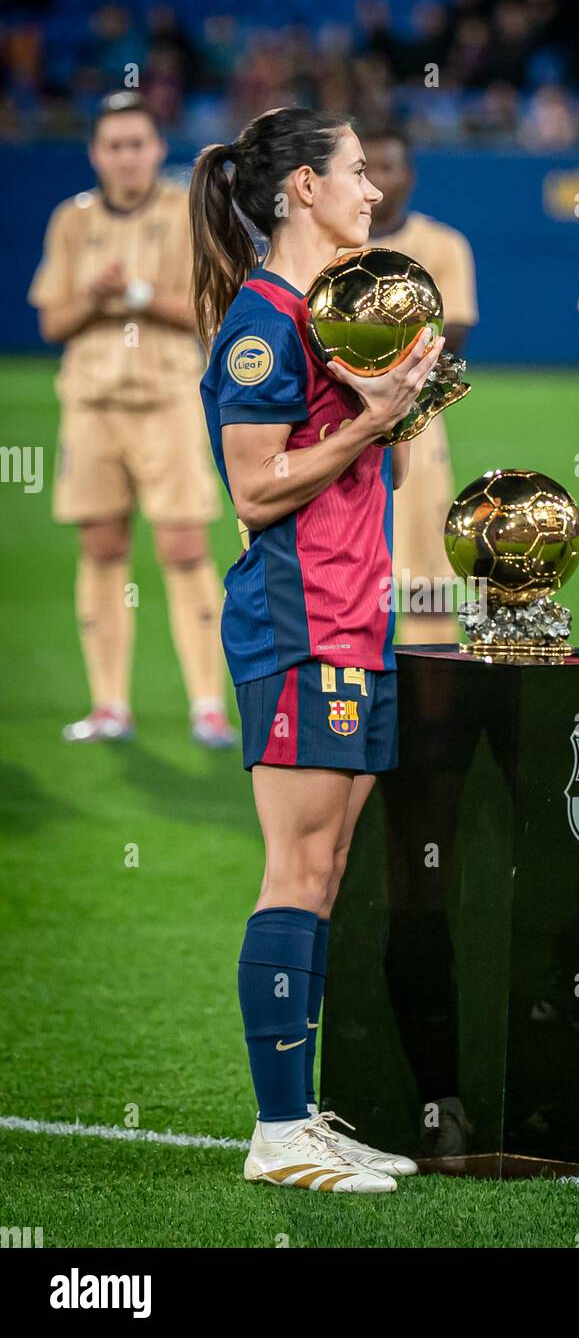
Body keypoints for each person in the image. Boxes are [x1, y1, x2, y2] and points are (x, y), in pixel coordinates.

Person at [190, 106, 446, 1191]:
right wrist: (368, 420)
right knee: (295, 869)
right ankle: (276, 1131)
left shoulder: (331, 313)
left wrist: (400, 403)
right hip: (296, 623)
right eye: (351, 171)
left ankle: (302, 1112)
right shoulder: (262, 323)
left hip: (354, 619)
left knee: (328, 871)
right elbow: (252, 494)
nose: (371, 188)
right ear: (299, 187)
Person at [28, 90, 235, 748]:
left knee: (183, 546)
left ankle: (207, 706)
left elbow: (208, 314)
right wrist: (93, 296)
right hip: (91, 403)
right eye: (113, 146)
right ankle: (109, 704)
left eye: (137, 144)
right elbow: (52, 320)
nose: (125, 157)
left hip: (167, 399)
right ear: (95, 153)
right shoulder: (71, 219)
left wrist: (135, 293)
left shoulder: (187, 212)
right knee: (102, 546)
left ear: (156, 148)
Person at [361, 123, 479, 645]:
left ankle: (426, 712)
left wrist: (369, 340)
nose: (380, 180)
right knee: (350, 574)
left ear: (410, 176)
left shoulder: (441, 243)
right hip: (339, 420)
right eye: (367, 168)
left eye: (390, 166)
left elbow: (453, 335)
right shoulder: (330, 245)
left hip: (416, 422)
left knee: (426, 580)